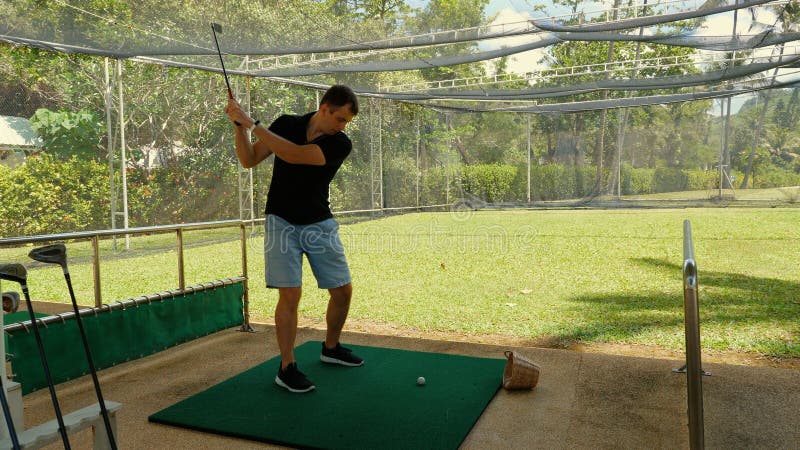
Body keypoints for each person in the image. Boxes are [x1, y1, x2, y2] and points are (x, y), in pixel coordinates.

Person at [225, 85, 363, 393]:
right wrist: (239, 127)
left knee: (342, 291)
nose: (342, 126)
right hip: (281, 221)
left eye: (346, 122)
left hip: (318, 222)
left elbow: (295, 154)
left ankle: (331, 348)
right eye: (340, 119)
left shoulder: (340, 143)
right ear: (324, 108)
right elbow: (249, 159)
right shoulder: (287, 123)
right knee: (290, 295)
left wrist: (251, 123)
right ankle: (287, 366)